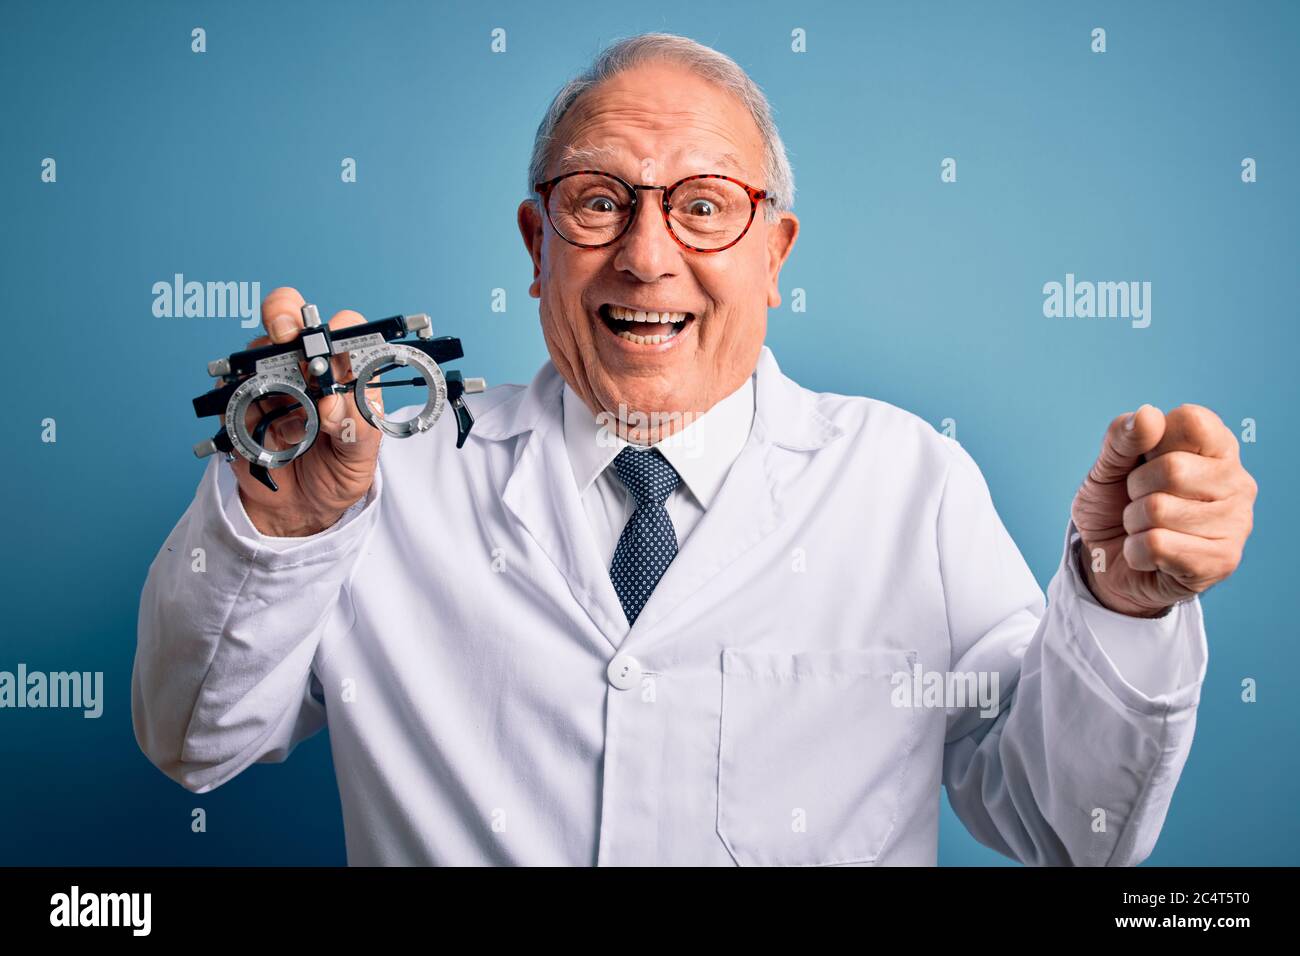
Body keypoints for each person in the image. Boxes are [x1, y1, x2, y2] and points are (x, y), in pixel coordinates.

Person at [133, 33, 1257, 866]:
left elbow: (1066, 827)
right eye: (596, 202)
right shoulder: (387, 476)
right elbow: (192, 742)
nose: (645, 255)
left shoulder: (906, 484)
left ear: (774, 251)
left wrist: (1121, 608)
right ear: (537, 244)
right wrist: (281, 524)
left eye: (704, 207)